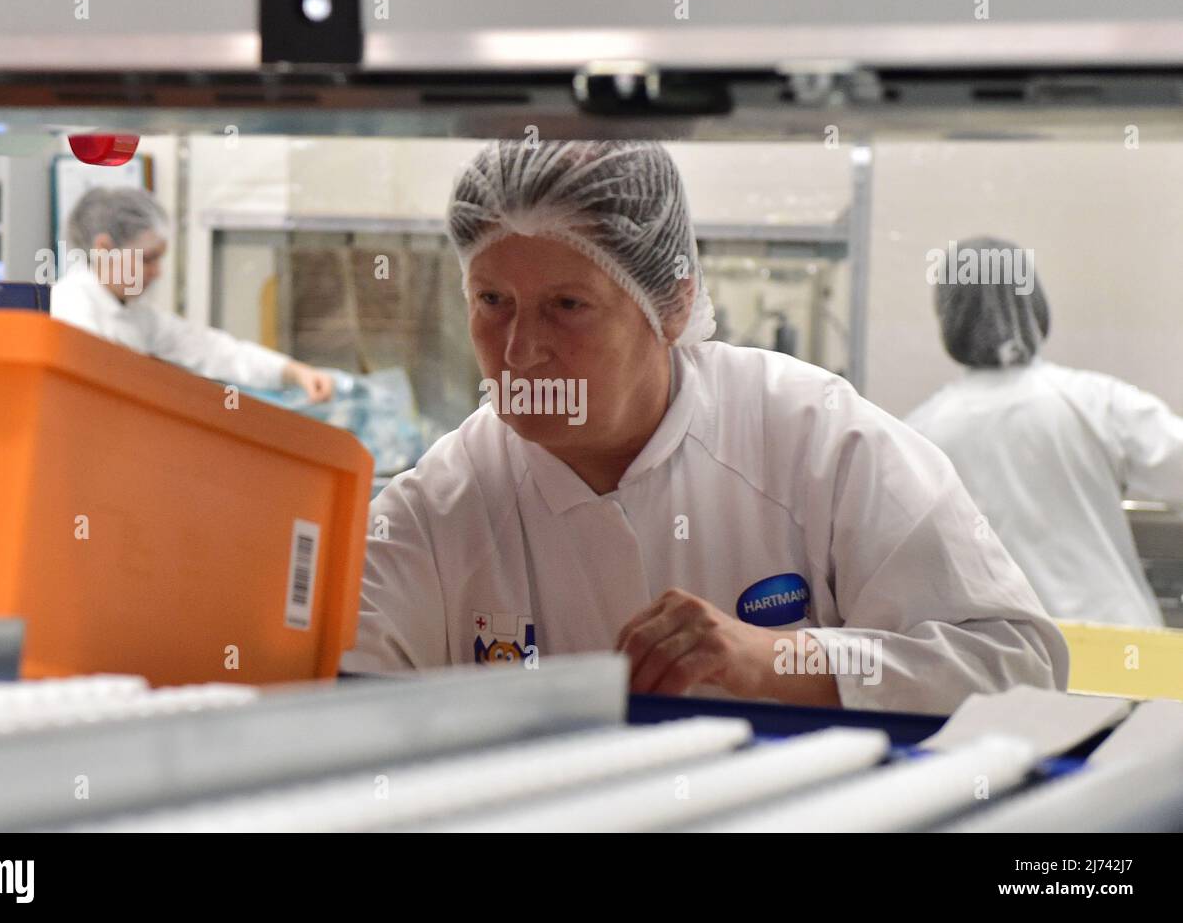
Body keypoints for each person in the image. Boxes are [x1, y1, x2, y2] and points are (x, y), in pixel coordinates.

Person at [341, 141, 1068, 716]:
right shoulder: (438, 510)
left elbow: (1018, 662)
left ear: (673, 305)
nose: (520, 347)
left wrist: (783, 661)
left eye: (567, 304)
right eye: (492, 298)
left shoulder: (814, 436)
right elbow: (333, 701)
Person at [907, 237, 1183, 627]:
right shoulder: (1097, 402)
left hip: (1003, 658)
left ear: (949, 319)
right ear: (1035, 306)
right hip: (1118, 648)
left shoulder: (920, 433)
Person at [50, 187, 333, 401]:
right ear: (104, 249)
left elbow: (212, 350)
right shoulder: (71, 306)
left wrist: (293, 371)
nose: (157, 272)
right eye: (148, 259)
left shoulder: (136, 315)